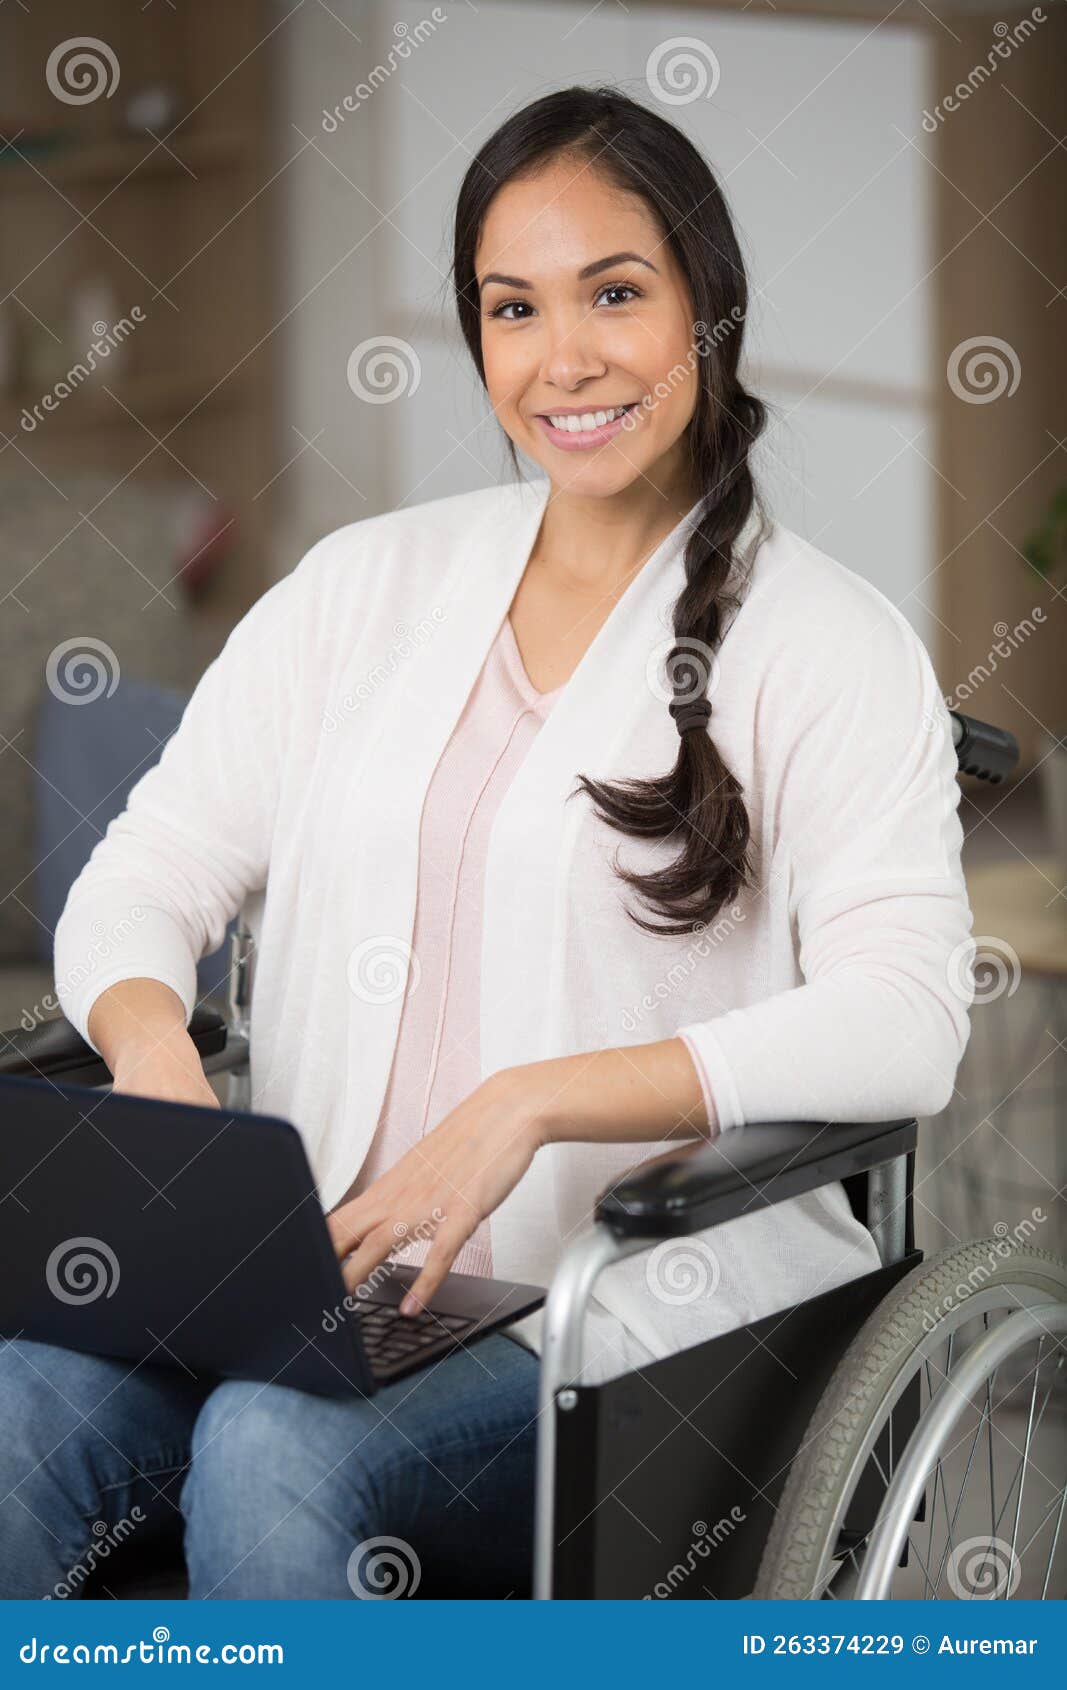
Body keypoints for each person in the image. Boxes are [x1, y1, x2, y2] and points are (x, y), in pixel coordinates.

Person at [0, 85, 972, 1600]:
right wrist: (152, 1055)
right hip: (302, 1285)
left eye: (617, 294)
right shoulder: (361, 588)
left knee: (269, 1447)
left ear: (708, 308)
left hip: (619, 1316)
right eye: (514, 307)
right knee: (17, 1413)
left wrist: (534, 1102)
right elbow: (144, 873)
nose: (565, 357)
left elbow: (910, 1020)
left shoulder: (829, 644)